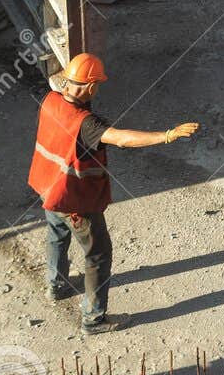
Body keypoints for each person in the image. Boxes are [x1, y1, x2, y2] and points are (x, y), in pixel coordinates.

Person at [28, 51, 199, 334]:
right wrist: (166, 135)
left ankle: (55, 286)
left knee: (56, 235)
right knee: (98, 254)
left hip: (49, 190)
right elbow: (121, 138)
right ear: (91, 86)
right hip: (74, 200)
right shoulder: (85, 124)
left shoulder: (50, 101)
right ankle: (93, 319)